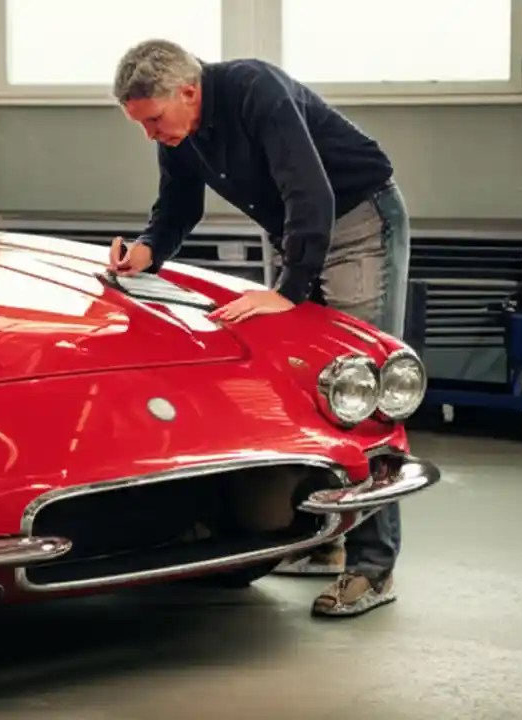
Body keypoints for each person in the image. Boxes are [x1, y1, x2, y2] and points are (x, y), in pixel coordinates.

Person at [107, 39, 411, 618]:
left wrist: (287, 291)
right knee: (300, 388)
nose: (150, 135)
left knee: (361, 393)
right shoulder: (180, 131)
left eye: (153, 120)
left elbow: (311, 192)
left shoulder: (255, 90)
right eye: (141, 126)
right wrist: (146, 251)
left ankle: (374, 567)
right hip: (297, 233)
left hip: (357, 223)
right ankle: (325, 540)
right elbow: (177, 207)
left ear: (188, 92)